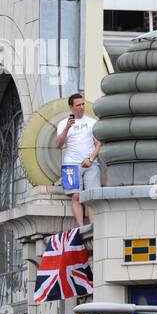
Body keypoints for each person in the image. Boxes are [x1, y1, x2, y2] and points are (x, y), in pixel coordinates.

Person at [55, 92, 102, 227]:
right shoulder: (63, 123)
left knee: (91, 196)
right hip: (71, 164)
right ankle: (81, 227)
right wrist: (67, 128)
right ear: (71, 107)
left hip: (90, 163)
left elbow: (98, 144)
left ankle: (94, 227)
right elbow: (58, 145)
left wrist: (91, 158)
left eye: (83, 104)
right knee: (76, 196)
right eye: (78, 105)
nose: (81, 107)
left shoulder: (92, 122)